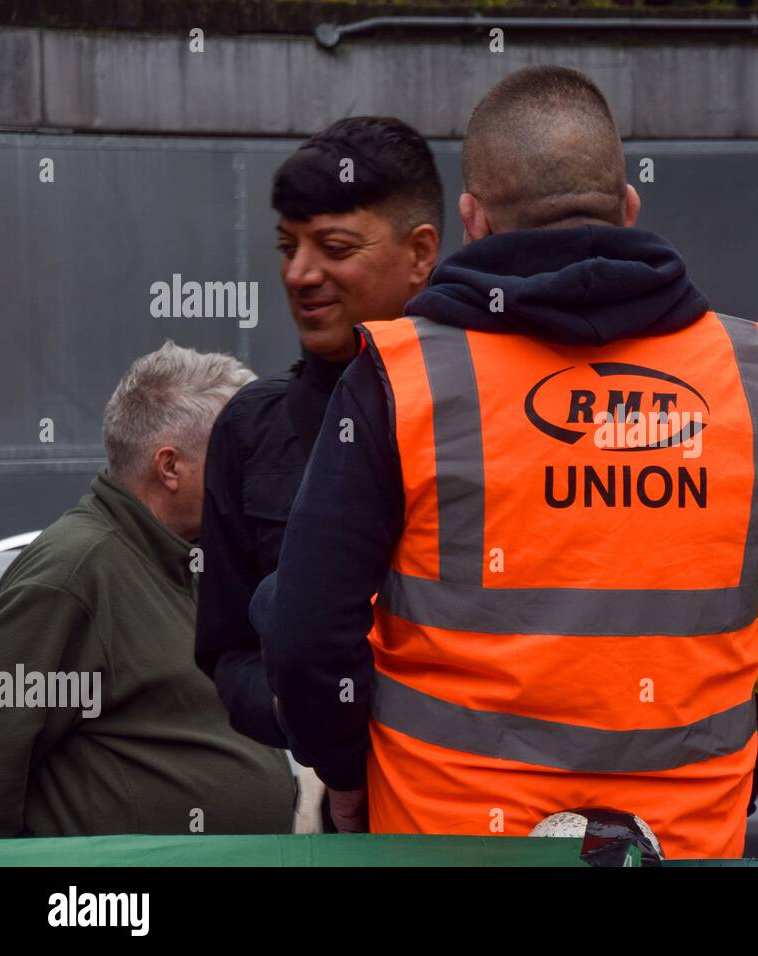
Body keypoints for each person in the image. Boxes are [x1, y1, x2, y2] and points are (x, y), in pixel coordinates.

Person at [251, 65, 758, 859]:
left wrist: (348, 776)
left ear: (473, 221)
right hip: (688, 837)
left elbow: (312, 629)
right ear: (630, 208)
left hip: (448, 839)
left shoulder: (404, 379)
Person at [194, 117, 442, 831]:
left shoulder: (489, 406)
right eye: (286, 247)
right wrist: (301, 708)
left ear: (420, 252)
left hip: (479, 811)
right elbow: (226, 651)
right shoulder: (251, 427)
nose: (299, 273)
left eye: (333, 248)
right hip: (340, 820)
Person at [0, 342, 295, 836]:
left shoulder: (193, 560)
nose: (249, 476)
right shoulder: (73, 573)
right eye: (235, 456)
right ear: (170, 467)